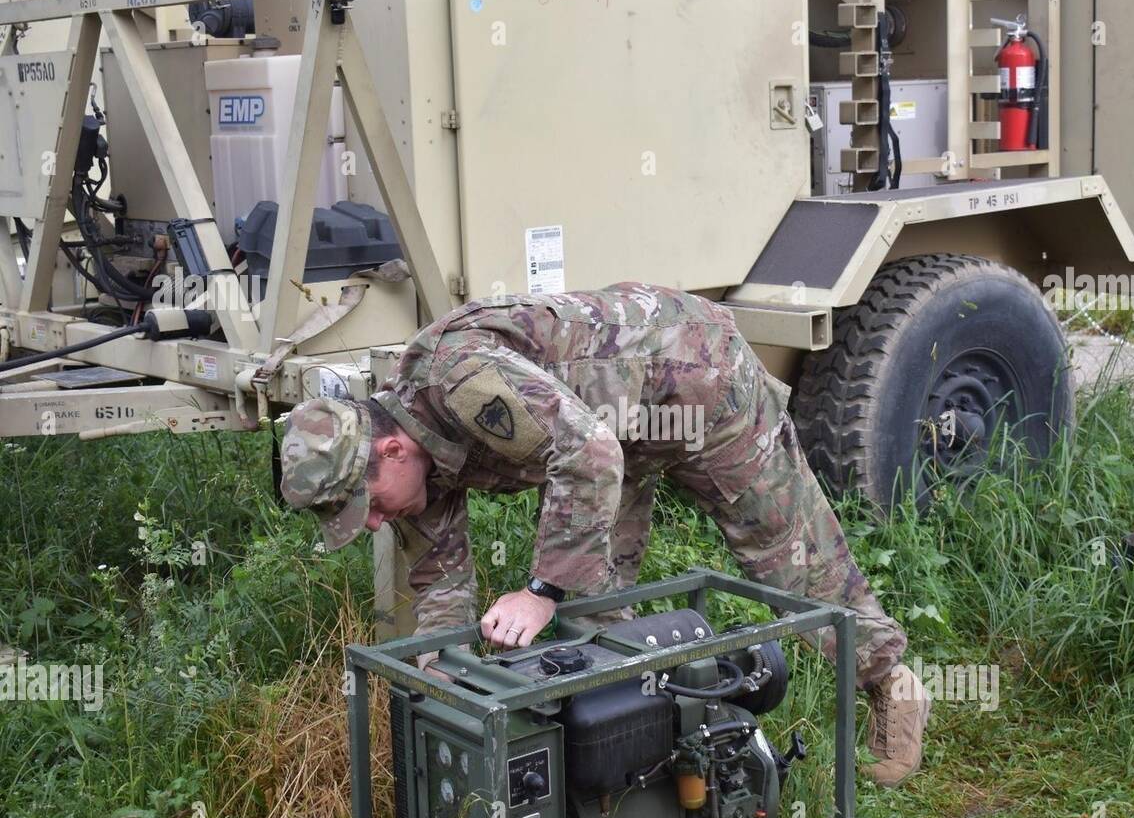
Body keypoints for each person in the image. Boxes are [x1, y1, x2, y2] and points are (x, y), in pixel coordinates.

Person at [279, 282, 930, 785]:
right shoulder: (415, 465)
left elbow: (588, 453)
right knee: (598, 604)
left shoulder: (459, 383)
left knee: (787, 558)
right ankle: (641, 753)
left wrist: (540, 589)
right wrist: (444, 693)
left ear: (391, 449)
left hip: (692, 375)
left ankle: (892, 683)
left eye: (364, 503)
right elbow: (440, 590)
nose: (370, 522)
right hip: (618, 424)